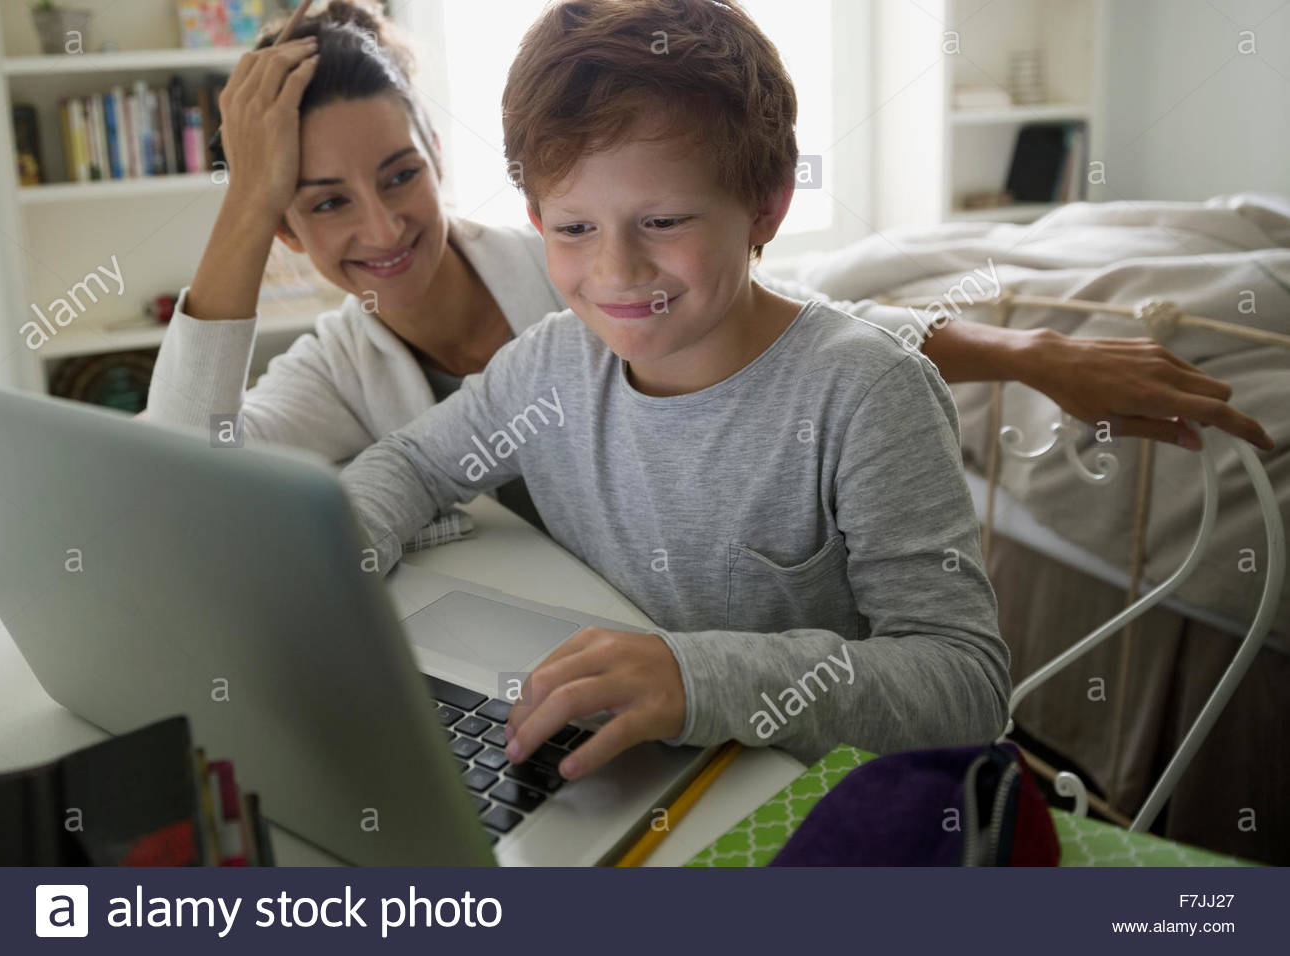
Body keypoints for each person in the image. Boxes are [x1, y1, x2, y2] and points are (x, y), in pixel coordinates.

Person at [144, 0, 1274, 524]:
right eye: (324, 203)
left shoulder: (571, 263)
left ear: (438, 161)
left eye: (401, 175)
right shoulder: (336, 374)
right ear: (282, 229)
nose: (384, 226)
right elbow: (175, 483)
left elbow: (803, 325)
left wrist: (1031, 356)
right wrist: (245, 199)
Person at [337, 0, 1010, 783]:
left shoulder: (867, 394)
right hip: (635, 773)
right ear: (536, 220)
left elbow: (966, 685)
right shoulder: (550, 367)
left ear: (767, 205)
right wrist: (332, 571)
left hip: (814, 795)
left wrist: (697, 680)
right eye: (575, 228)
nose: (616, 272)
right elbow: (416, 462)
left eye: (662, 222)